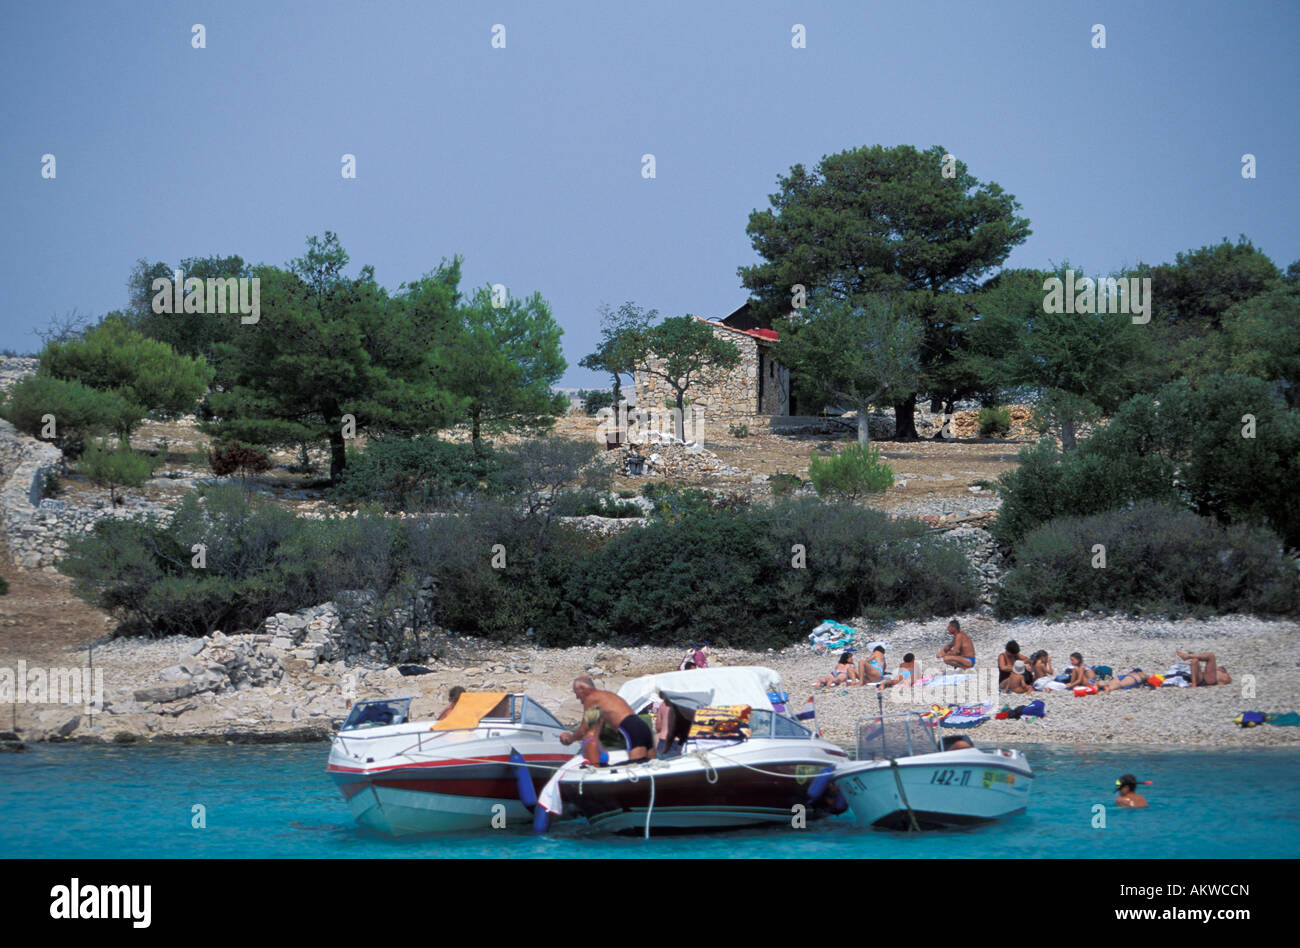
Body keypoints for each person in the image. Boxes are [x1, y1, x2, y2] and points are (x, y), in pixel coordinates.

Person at [561, 676, 656, 763]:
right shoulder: (606, 696)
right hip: (642, 725)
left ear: (583, 689)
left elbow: (584, 729)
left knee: (636, 765)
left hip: (630, 727)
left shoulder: (591, 698)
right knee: (652, 765)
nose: (577, 698)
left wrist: (569, 739)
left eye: (577, 693)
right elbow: (596, 728)